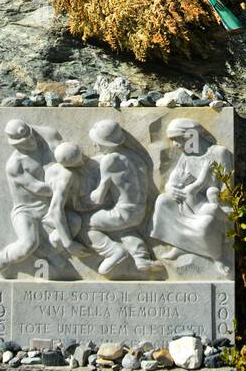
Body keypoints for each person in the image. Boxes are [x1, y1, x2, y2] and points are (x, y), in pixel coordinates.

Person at [150, 118, 229, 271]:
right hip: (187, 201)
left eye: (177, 139)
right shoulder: (187, 156)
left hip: (209, 203)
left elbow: (227, 186)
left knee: (205, 224)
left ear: (191, 136)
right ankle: (181, 244)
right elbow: (173, 179)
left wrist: (215, 197)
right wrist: (170, 188)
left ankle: (218, 257)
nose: (174, 144)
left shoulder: (219, 153)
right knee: (163, 201)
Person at [84, 118, 160, 276]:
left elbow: (98, 197)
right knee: (124, 229)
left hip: (123, 212)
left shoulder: (109, 160)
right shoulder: (134, 156)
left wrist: (84, 197)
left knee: (86, 224)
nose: (94, 146)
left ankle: (113, 253)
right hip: (139, 212)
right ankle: (141, 258)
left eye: (97, 142)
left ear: (107, 143)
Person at [0, 119, 60, 272]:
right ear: (15, 144)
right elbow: (37, 187)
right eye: (25, 142)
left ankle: (47, 254)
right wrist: (63, 188)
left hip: (47, 209)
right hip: (25, 211)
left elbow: (54, 141)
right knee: (28, 244)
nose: (31, 142)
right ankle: (2, 260)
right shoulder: (15, 165)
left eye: (31, 137)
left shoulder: (40, 140)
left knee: (75, 224)